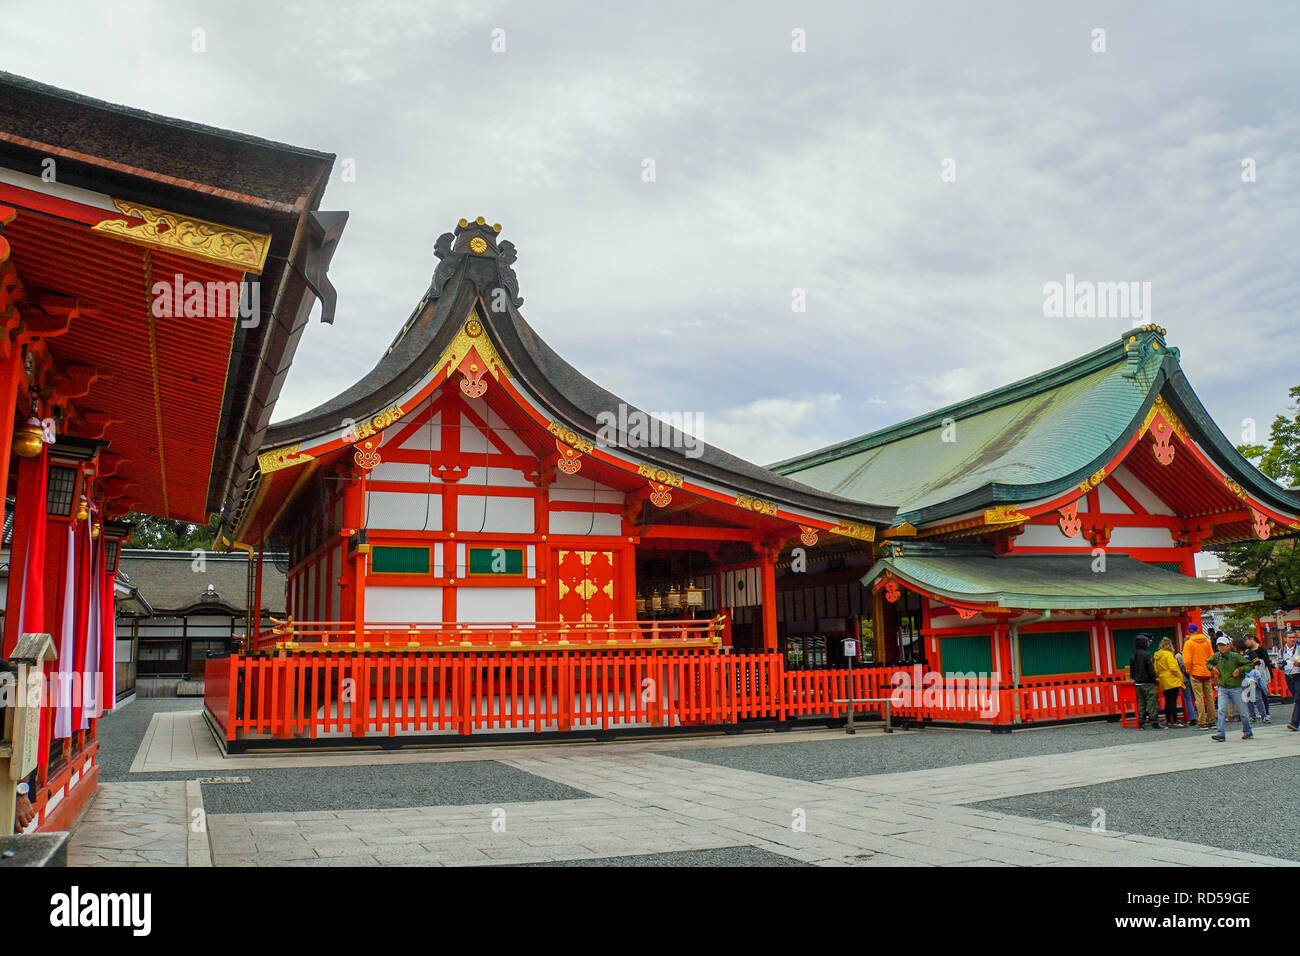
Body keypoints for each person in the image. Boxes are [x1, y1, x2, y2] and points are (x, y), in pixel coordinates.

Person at [1207, 635, 1255, 741]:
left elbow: (1249, 664)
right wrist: (1213, 668)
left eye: (1223, 645)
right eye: (1219, 646)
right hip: (1223, 687)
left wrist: (1240, 670)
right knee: (1221, 710)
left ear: (1228, 646)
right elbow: (1208, 662)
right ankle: (1221, 733)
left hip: (1236, 687)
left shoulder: (1235, 656)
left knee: (1243, 712)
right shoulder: (1216, 656)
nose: (1221, 648)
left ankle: (1247, 731)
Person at [1182, 624, 1216, 730]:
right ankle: (1212, 720)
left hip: (1195, 673)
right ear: (1197, 630)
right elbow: (1212, 656)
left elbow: (1187, 660)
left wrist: (1189, 670)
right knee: (1209, 697)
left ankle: (1202, 721)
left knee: (1199, 697)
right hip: (1207, 672)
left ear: (1188, 631)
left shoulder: (1189, 643)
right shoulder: (1206, 642)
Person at [1129, 633, 1162, 729]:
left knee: (1141, 703)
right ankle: (1154, 722)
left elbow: (1132, 670)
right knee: (1151, 703)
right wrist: (1154, 679)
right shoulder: (1147, 655)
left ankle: (1141, 723)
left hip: (1138, 683)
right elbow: (1151, 670)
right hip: (1148, 682)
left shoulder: (1133, 655)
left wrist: (1134, 679)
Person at [1153, 637, 1187, 727]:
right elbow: (1173, 668)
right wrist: (1180, 676)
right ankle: (1175, 720)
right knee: (1173, 701)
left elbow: (1156, 669)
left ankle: (1168, 719)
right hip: (1172, 679)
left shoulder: (1157, 656)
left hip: (1163, 679)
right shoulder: (1169, 654)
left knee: (1167, 700)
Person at [1243, 634, 1273, 723]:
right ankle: (1255, 714)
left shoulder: (1261, 649)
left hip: (1261, 673)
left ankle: (1266, 713)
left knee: (1262, 694)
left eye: (1246, 640)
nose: (1246, 643)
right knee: (1252, 695)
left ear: (1252, 639)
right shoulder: (1247, 651)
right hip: (1251, 675)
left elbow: (1267, 662)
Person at [1281, 631, 1300, 732]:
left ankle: (1294, 723)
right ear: (1285, 639)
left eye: (1293, 637)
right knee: (1296, 697)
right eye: (1290, 637)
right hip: (1288, 675)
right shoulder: (1282, 650)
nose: (1292, 639)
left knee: (1298, 699)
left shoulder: (1299, 648)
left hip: (1298, 675)